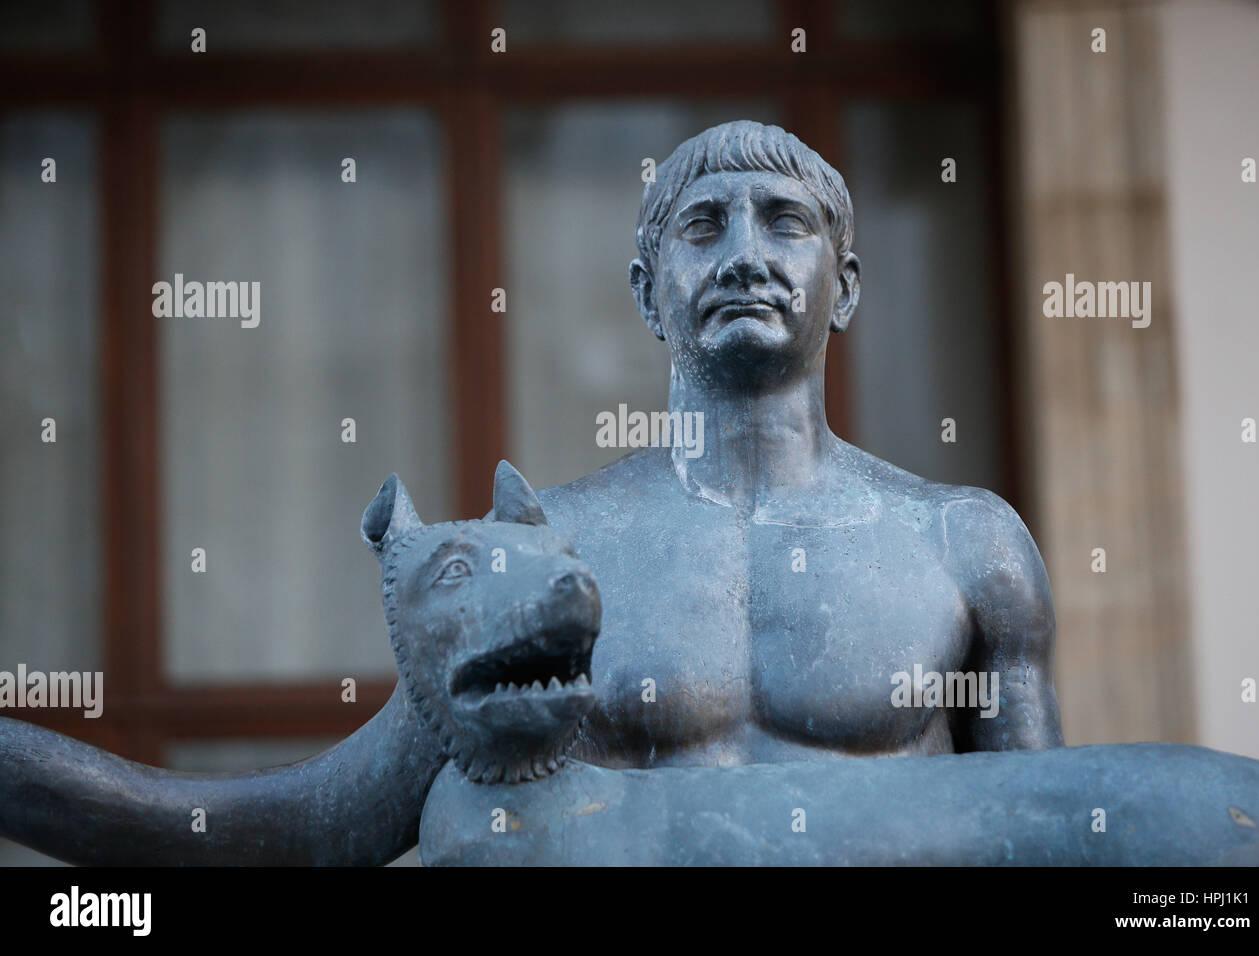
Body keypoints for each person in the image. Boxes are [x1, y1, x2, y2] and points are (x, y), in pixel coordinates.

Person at [0, 121, 1062, 865]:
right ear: (650, 294)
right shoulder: (548, 548)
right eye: (703, 227)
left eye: (784, 221)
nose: (745, 254)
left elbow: (1054, 831)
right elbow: (317, 822)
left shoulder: (965, 542)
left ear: (848, 284)